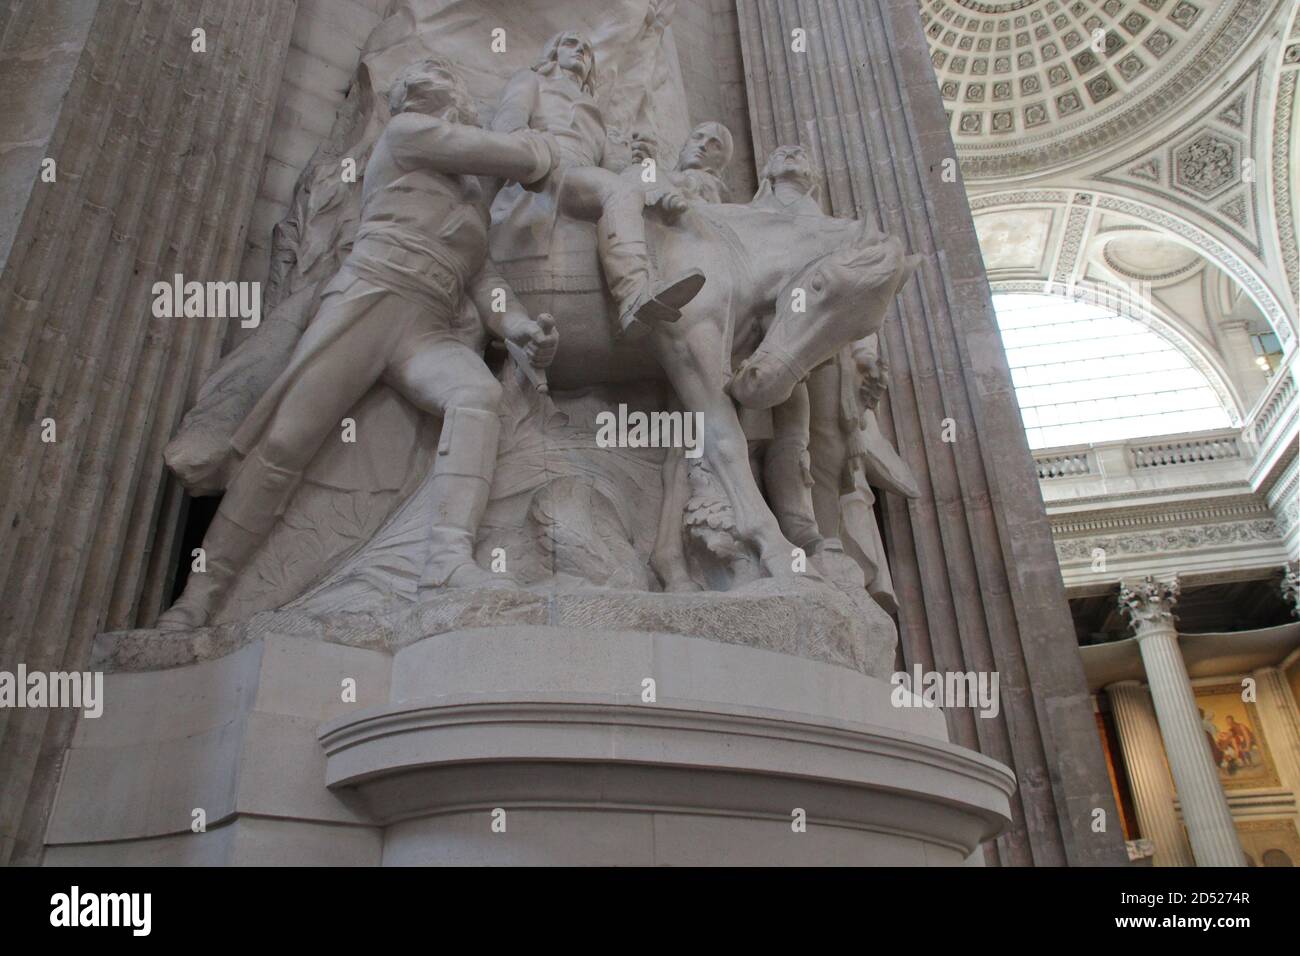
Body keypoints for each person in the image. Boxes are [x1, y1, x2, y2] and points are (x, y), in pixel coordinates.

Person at [158, 59, 561, 630]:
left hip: (426, 325)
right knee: (286, 443)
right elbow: (518, 158)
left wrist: (517, 326)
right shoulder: (408, 134)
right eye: (414, 81)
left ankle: (446, 559)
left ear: (460, 99)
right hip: (369, 300)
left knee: (476, 395)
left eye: (438, 76)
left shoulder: (470, 199)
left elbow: (482, 275)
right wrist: (538, 149)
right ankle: (201, 595)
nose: (419, 84)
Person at [489, 31, 710, 337]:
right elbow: (508, 124)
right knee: (620, 191)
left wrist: (638, 156)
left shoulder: (594, 111)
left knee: (634, 191)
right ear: (553, 52)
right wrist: (531, 156)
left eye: (587, 50)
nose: (580, 49)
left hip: (581, 176)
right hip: (545, 170)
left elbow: (612, 168)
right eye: (570, 43)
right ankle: (633, 292)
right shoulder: (531, 81)